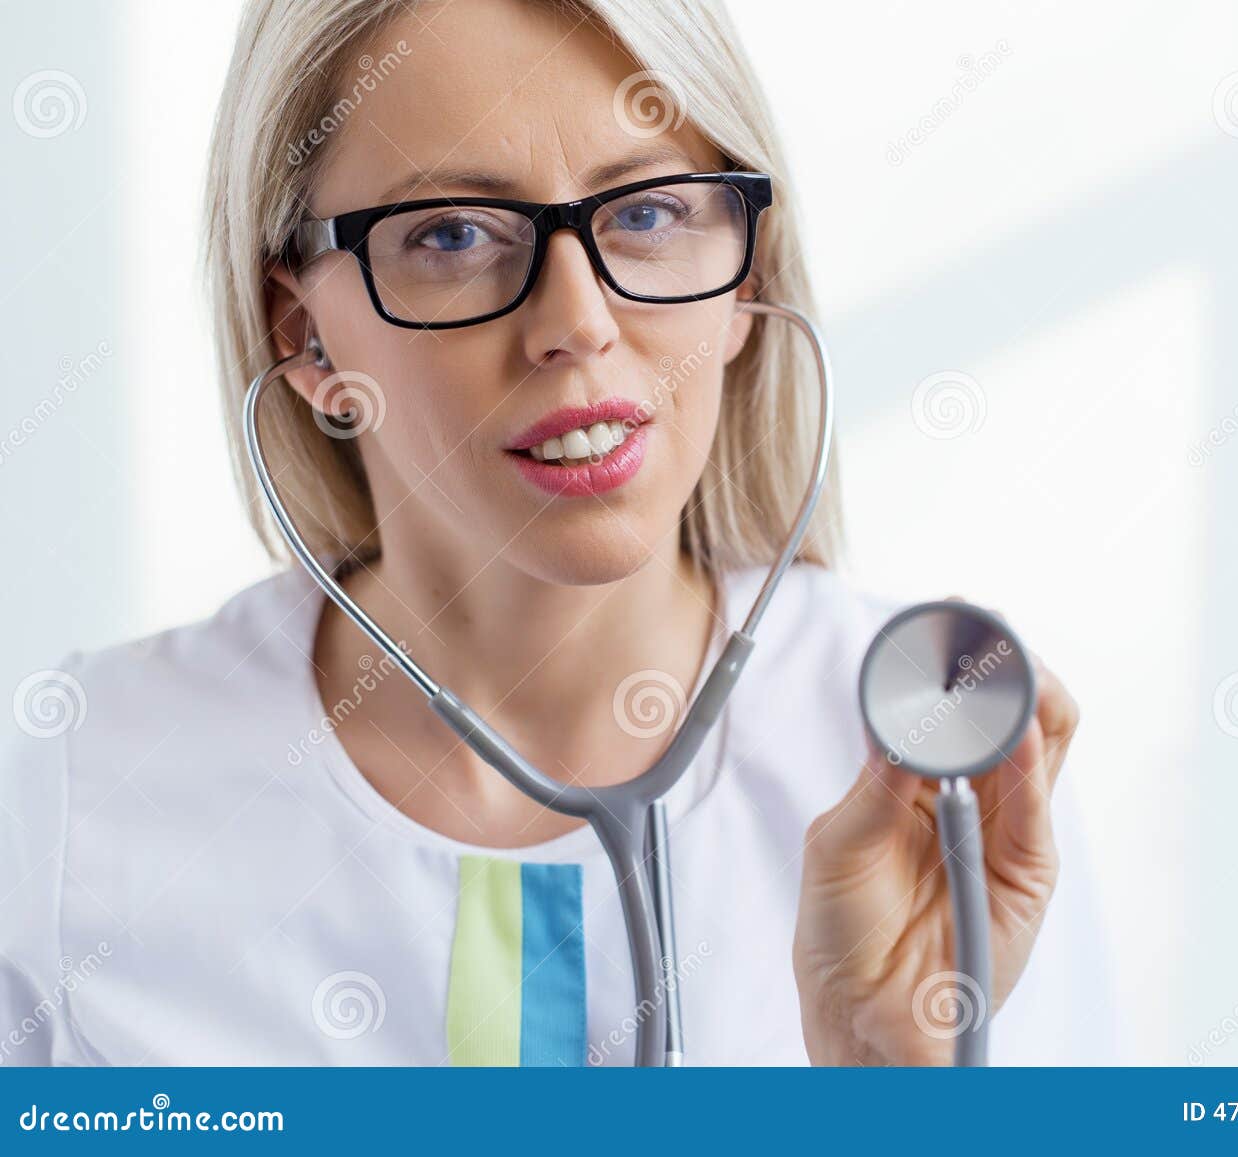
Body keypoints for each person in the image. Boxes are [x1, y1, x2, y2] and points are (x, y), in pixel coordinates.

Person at [0, 0, 1093, 1066]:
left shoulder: (946, 758)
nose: (576, 322)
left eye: (651, 211)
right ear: (307, 339)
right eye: (454, 234)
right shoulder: (77, 790)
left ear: (745, 268)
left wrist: (886, 1087)